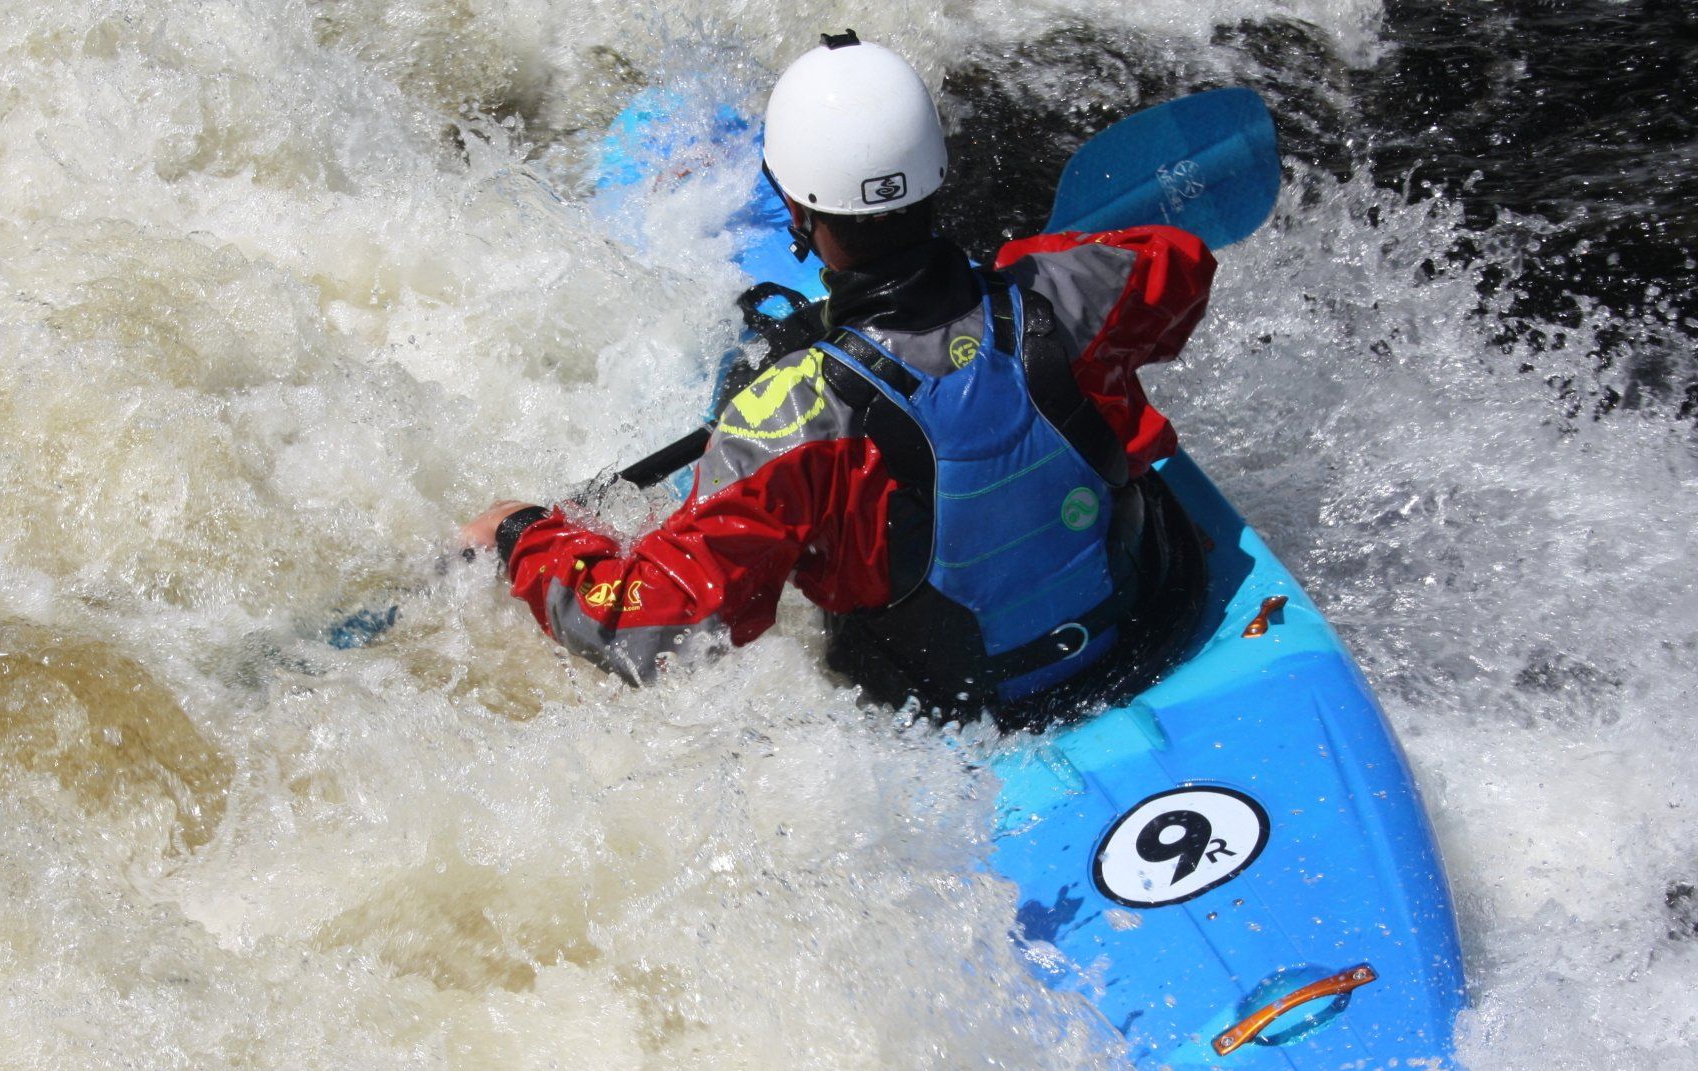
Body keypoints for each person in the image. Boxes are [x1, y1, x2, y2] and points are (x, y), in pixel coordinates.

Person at [462, 32, 1216, 728]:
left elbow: (650, 631)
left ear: (792, 207)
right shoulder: (1086, 288)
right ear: (937, 172)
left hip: (955, 717)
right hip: (1144, 629)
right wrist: (1005, 279)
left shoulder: (784, 422)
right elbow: (1182, 262)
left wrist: (524, 534)